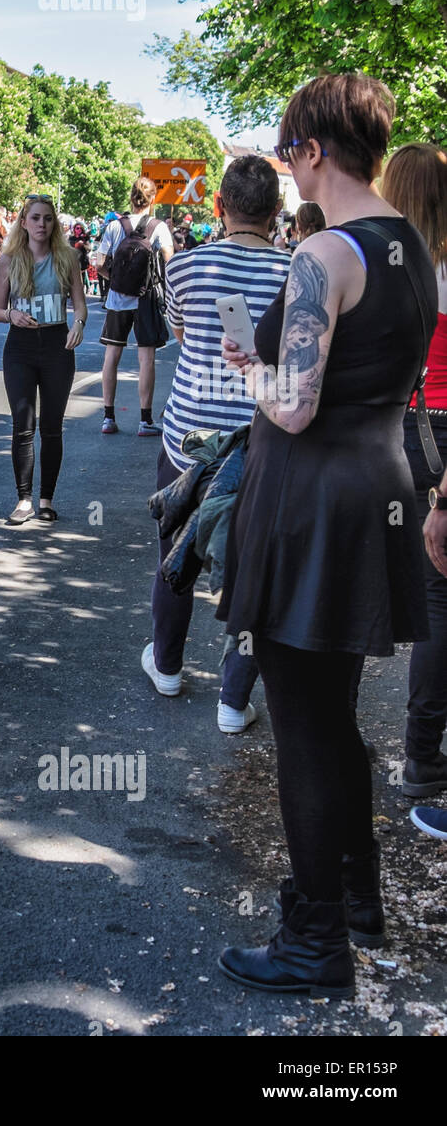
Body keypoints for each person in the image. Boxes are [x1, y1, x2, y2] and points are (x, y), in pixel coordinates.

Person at [216, 74, 438, 998]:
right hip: (375, 487)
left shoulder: (325, 255)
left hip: (311, 503)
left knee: (306, 732)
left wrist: (250, 366)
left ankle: (315, 943)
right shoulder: (414, 247)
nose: (286, 166)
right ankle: (352, 900)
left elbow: (295, 407)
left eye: (287, 149)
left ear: (311, 150)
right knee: (331, 720)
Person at [145, 155, 291, 734]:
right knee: (255, 574)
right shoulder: (296, 273)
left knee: (175, 556)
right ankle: (233, 700)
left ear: (218, 206)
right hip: (263, 444)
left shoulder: (186, 267)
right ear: (276, 211)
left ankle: (167, 665)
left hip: (188, 441)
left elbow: (181, 334)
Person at [384, 143, 447, 799]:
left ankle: (419, 757)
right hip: (439, 437)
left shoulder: (387, 265)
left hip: (400, 431)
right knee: (438, 599)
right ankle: (422, 758)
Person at [0, 194, 87, 526]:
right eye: (35, 218)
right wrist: (12, 315)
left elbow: (80, 305)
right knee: (23, 425)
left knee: (51, 427)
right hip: (20, 347)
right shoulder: (8, 260)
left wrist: (78, 325)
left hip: (56, 345)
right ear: (24, 222)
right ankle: (23, 500)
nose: (41, 225)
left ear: (54, 223)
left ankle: (46, 499)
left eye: (47, 218)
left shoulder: (67, 258)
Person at [97, 177, 175, 435]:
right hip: (146, 298)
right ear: (153, 199)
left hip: (118, 299)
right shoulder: (158, 227)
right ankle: (145, 420)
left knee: (112, 356)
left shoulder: (114, 227)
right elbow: (170, 262)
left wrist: (117, 281)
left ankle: (108, 417)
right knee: (146, 359)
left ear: (131, 197)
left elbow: (99, 264)